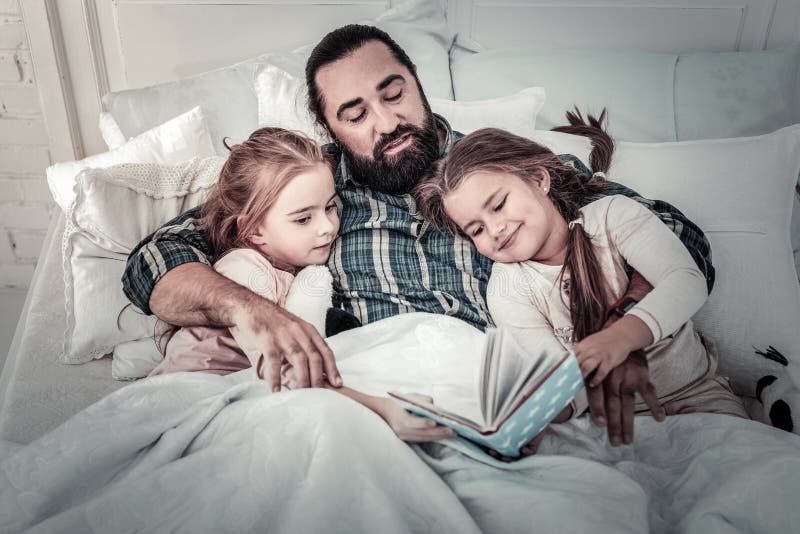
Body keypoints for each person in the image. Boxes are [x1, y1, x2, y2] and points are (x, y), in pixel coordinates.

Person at [122, 24, 716, 445]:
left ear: (416, 82)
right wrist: (253, 311)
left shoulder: (497, 167)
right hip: (385, 408)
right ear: (329, 126)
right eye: (354, 114)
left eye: (393, 92)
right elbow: (153, 260)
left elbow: (675, 234)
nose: (387, 123)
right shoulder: (311, 195)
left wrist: (622, 330)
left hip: (511, 400)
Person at [413, 124, 748, 446]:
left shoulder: (612, 217)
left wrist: (619, 338)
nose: (495, 229)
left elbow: (686, 281)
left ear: (538, 179)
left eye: (498, 205)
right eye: (477, 230)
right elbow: (562, 380)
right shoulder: (508, 289)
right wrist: (535, 418)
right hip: (611, 428)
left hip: (695, 395)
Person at [149, 126, 455, 444]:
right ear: (253, 230)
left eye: (330, 207)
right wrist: (382, 409)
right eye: (303, 219)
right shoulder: (244, 270)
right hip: (196, 397)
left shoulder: (295, 266)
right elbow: (287, 373)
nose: (327, 228)